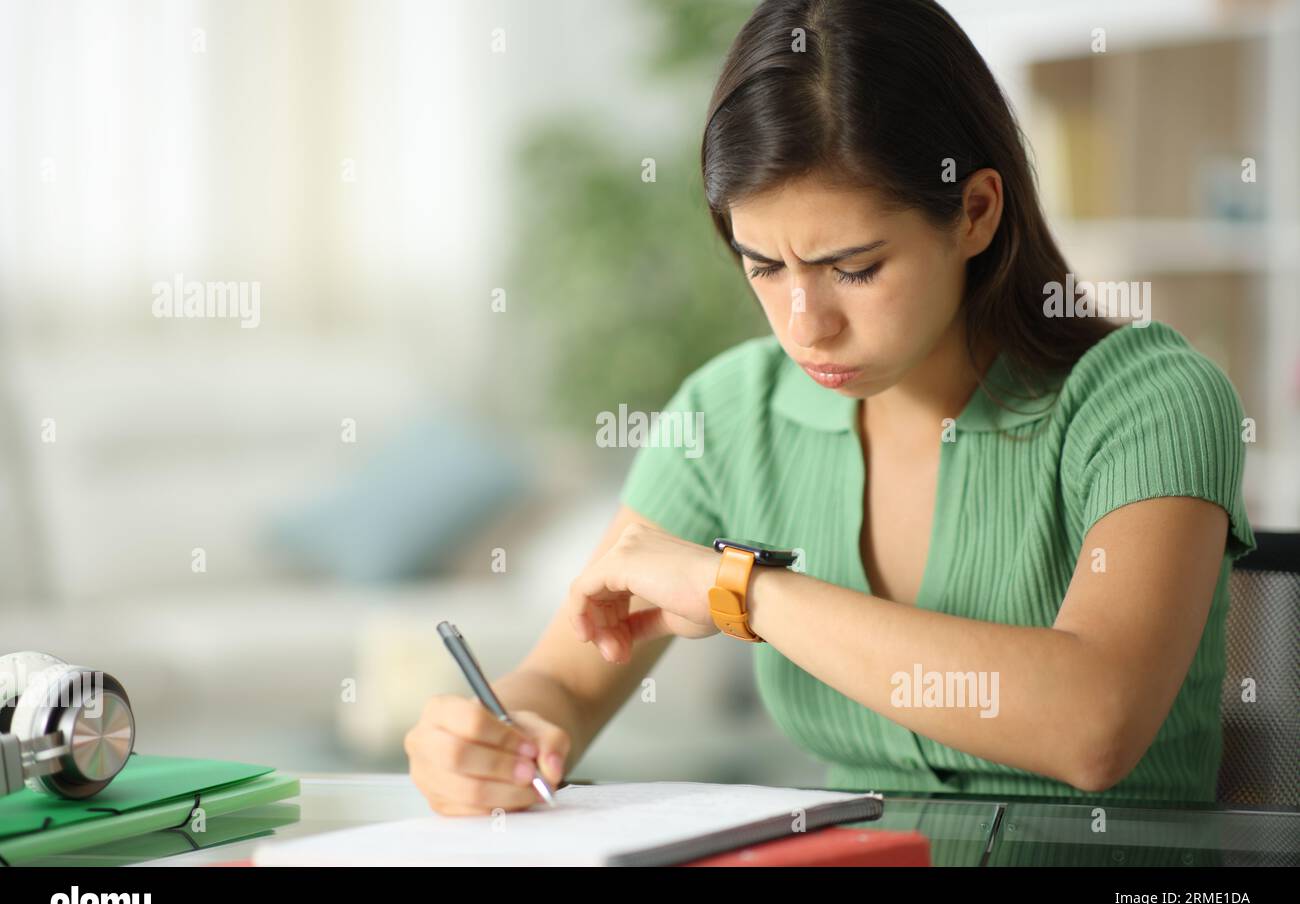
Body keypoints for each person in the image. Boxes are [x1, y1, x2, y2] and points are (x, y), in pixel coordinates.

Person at [404, 0, 1255, 817]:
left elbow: (1092, 723)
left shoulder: (1150, 401)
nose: (805, 325)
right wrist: (498, 733)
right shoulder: (729, 414)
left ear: (975, 212)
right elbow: (566, 680)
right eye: (764, 266)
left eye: (853, 267)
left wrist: (740, 590)